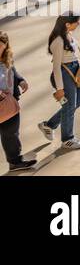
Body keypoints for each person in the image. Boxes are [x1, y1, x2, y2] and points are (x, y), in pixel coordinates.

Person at [37, 14, 80, 151]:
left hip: (73, 71)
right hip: (65, 74)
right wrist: (60, 89)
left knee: (77, 102)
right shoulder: (58, 41)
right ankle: (67, 139)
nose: (77, 24)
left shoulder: (68, 35)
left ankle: (49, 125)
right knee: (70, 105)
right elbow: (56, 67)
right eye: (76, 22)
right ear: (67, 24)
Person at [0, 30, 37, 170]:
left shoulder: (7, 57)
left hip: (9, 101)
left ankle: (15, 161)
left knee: (11, 132)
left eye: (0, 45)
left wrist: (21, 80)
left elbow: (13, 71)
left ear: (5, 45)